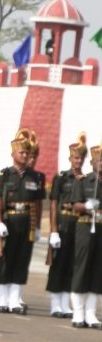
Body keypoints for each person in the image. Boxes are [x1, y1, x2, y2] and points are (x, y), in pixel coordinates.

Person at [0, 128, 44, 314]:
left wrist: (37, 226)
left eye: (27, 153)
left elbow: (38, 203)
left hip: (27, 222)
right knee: (6, 259)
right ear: (13, 154)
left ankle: (14, 300)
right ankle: (2, 298)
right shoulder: (4, 175)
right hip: (10, 220)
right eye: (22, 152)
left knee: (22, 260)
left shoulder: (35, 177)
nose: (25, 155)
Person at [45, 134, 85, 319]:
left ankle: (66, 303)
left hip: (79, 226)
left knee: (72, 265)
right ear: (70, 159)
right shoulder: (61, 178)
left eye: (81, 158)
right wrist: (53, 230)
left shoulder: (86, 180)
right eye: (76, 157)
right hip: (63, 224)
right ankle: (55, 303)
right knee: (58, 264)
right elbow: (53, 203)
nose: (78, 161)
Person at [71, 138, 102, 328]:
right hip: (85, 226)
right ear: (93, 162)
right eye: (100, 161)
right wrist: (87, 206)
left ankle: (91, 312)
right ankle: (78, 311)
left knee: (97, 271)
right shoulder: (83, 181)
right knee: (82, 268)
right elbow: (75, 205)